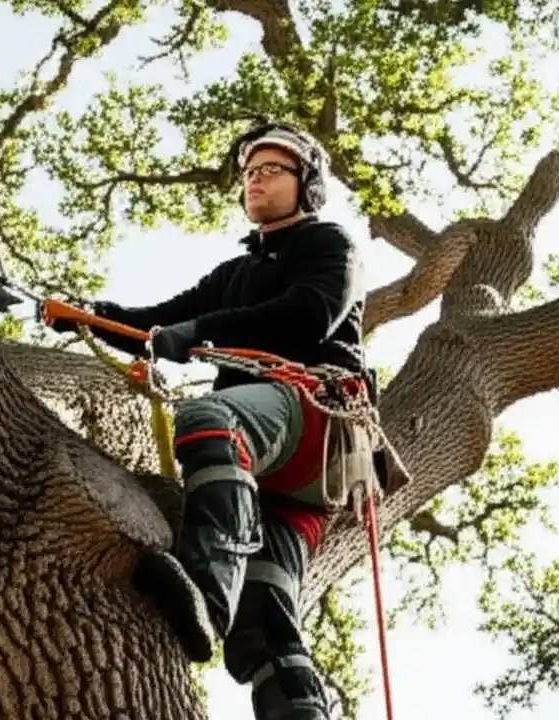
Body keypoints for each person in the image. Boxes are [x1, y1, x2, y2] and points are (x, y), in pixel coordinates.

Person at [49, 123, 379, 720]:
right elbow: (156, 323)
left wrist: (200, 333)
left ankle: (205, 588)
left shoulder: (330, 244)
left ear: (307, 184)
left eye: (272, 169)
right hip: (272, 472)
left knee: (209, 418)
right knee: (267, 616)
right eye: (250, 171)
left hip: (313, 422)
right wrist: (88, 320)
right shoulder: (233, 276)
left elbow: (310, 315)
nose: (255, 178)